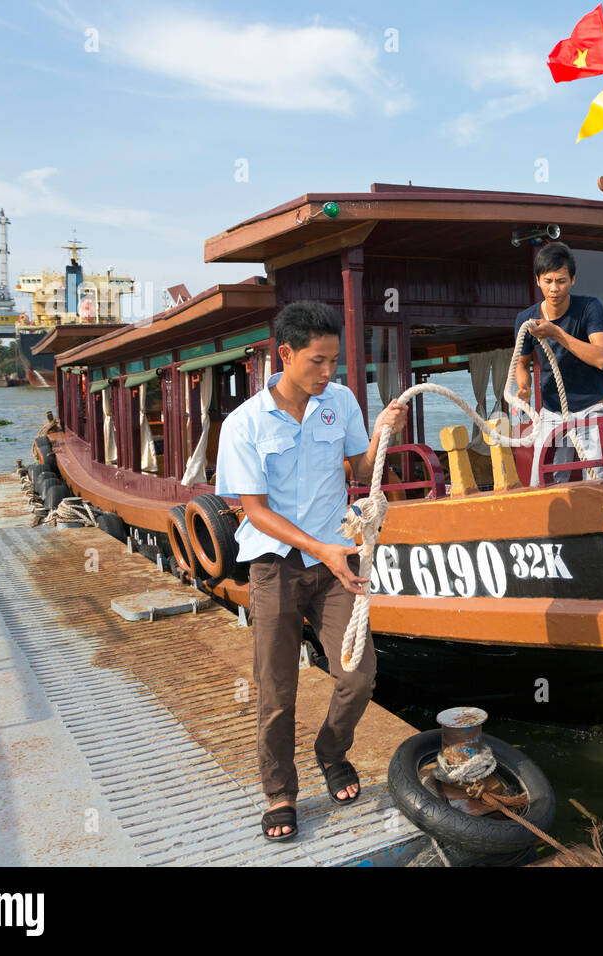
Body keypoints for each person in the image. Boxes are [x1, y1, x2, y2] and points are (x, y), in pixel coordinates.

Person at [215, 301, 407, 842]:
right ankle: (280, 791)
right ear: (286, 354)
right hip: (274, 568)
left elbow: (362, 469)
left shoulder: (340, 401)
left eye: (334, 363)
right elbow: (254, 511)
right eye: (317, 362)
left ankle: (332, 750)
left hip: (335, 564)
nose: (328, 374)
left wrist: (381, 434)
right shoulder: (244, 423)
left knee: (360, 674)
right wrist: (319, 549)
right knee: (277, 691)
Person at [513, 242, 603, 485]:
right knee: (542, 481)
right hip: (552, 410)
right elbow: (521, 363)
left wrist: (557, 333)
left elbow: (602, 358)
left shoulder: (589, 307)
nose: (554, 288)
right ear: (538, 280)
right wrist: (524, 389)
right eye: (548, 281)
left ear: (573, 280)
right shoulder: (525, 319)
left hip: (592, 407)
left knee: (598, 479)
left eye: (561, 280)